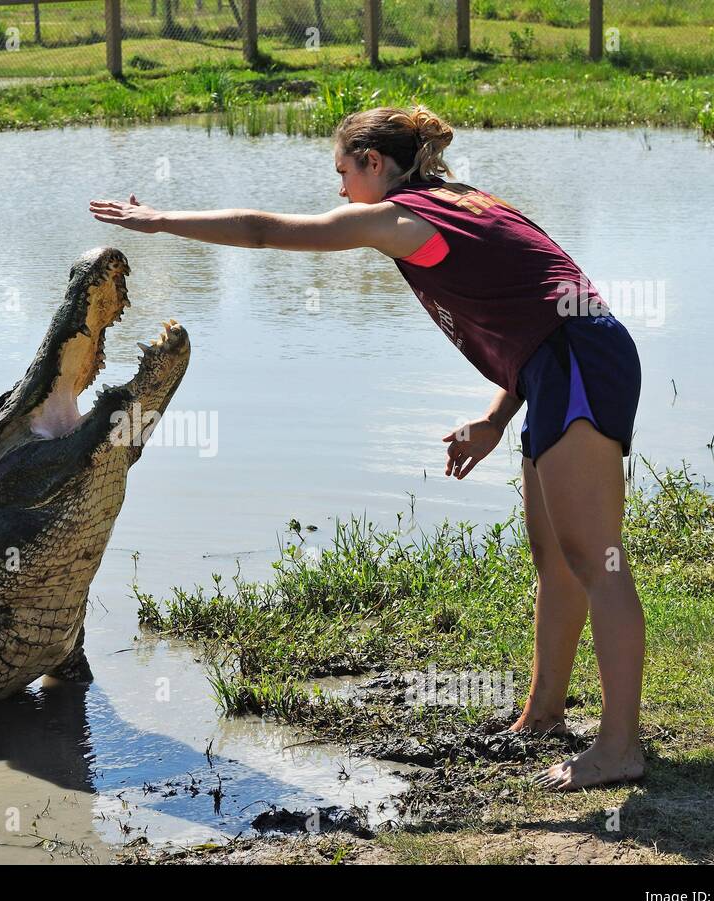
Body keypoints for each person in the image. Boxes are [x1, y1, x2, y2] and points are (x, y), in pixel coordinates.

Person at [88, 104, 646, 791]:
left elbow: (265, 231)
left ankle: (621, 746)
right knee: (555, 557)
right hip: (561, 364)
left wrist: (162, 221)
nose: (339, 191)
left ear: (375, 165)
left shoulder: (400, 218)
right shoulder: (461, 198)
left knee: (597, 556)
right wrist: (498, 418)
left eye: (343, 173)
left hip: (580, 363)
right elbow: (535, 309)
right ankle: (544, 714)